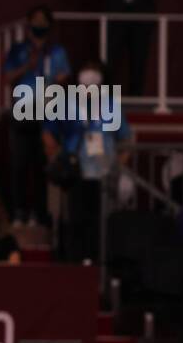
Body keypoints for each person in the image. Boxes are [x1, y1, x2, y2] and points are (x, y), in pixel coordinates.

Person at [43, 58, 132, 263]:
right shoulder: (66, 103)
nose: (90, 76)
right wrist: (57, 157)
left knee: (101, 221)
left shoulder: (111, 105)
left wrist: (118, 165)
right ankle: (74, 261)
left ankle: (99, 260)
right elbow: (48, 133)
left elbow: (125, 138)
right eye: (86, 70)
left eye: (94, 71)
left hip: (104, 173)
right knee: (75, 219)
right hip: (75, 172)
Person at [3, 4, 69, 227]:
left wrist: (55, 82)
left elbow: (65, 78)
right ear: (29, 24)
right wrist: (26, 67)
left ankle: (39, 214)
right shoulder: (18, 49)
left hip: (47, 113)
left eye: (43, 21)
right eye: (36, 20)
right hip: (22, 113)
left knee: (41, 166)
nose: (39, 25)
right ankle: (20, 212)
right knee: (20, 165)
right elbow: (7, 77)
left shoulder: (57, 51)